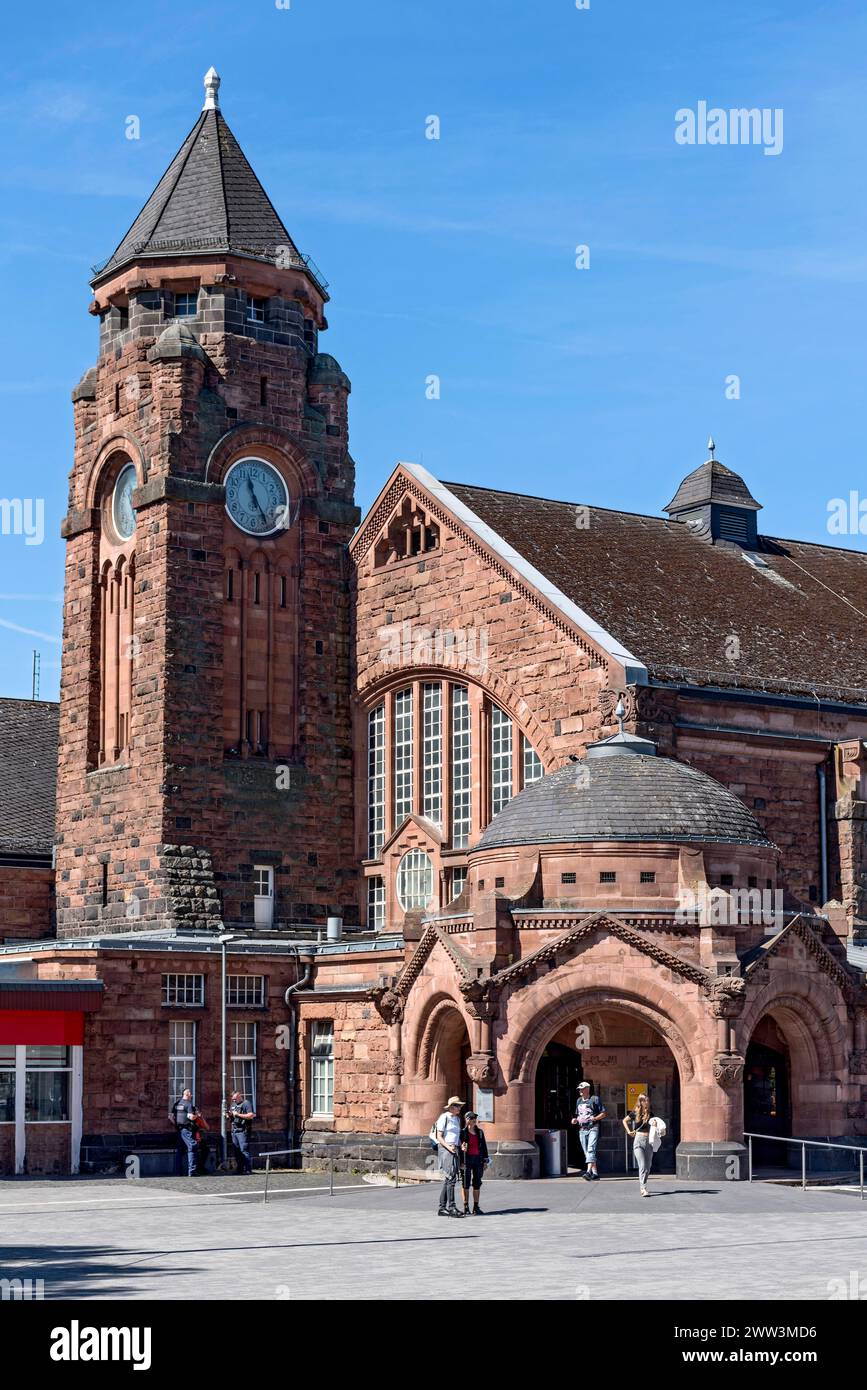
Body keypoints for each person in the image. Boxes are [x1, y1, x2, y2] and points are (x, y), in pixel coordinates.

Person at [571, 1080, 607, 1180]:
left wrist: (594, 1118)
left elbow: (603, 1113)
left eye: (582, 1089)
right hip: (582, 1129)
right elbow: (578, 1115)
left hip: (593, 1128)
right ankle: (595, 1174)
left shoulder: (595, 1099)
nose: (580, 1091)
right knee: (587, 1152)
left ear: (587, 1089)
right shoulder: (578, 1101)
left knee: (591, 1149)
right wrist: (575, 1120)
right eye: (579, 1090)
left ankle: (588, 1172)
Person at [435, 1096, 465, 1217]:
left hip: (455, 1148)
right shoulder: (444, 1117)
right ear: (452, 1107)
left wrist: (460, 1145)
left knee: (449, 1178)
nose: (460, 1108)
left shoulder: (457, 1119)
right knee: (451, 1178)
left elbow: (455, 1136)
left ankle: (442, 1207)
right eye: (458, 1106)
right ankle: (451, 1207)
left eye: (460, 1106)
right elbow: (439, 1136)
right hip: (446, 1149)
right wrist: (449, 1147)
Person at [623, 1092, 653, 1195]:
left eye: (648, 1100)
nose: (647, 1102)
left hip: (649, 1141)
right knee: (643, 1165)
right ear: (641, 1101)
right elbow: (624, 1121)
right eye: (645, 1100)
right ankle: (643, 1188)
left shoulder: (650, 1113)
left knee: (648, 1166)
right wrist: (629, 1131)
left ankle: (643, 1184)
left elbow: (654, 1125)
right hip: (638, 1140)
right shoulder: (635, 1113)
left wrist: (655, 1124)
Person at [460, 1111, 489, 1215]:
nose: (474, 1120)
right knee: (465, 1183)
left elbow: (484, 1147)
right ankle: (466, 1206)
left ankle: (476, 1207)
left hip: (478, 1159)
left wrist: (485, 1161)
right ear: (467, 1119)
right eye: (471, 1118)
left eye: (475, 1118)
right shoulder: (462, 1133)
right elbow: (460, 1148)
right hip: (466, 1160)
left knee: (477, 1183)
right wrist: (461, 1162)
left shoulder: (480, 1132)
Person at [170, 1089, 200, 1177]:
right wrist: (197, 1116)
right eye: (190, 1093)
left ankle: (177, 1172)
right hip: (187, 1130)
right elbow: (190, 1117)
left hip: (179, 1130)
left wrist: (176, 1125)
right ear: (187, 1094)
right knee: (192, 1147)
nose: (191, 1095)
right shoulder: (188, 1104)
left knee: (180, 1150)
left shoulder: (177, 1104)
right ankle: (192, 1171)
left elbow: (171, 1117)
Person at [226, 1091, 256, 1175]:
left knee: (244, 1150)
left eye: (235, 1099)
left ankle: (248, 1169)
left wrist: (238, 1115)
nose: (234, 1101)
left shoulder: (246, 1103)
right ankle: (239, 1169)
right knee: (237, 1151)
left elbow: (251, 1115)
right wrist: (229, 1115)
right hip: (234, 1130)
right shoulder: (233, 1105)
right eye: (233, 1099)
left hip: (242, 1130)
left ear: (239, 1096)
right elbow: (232, 1116)